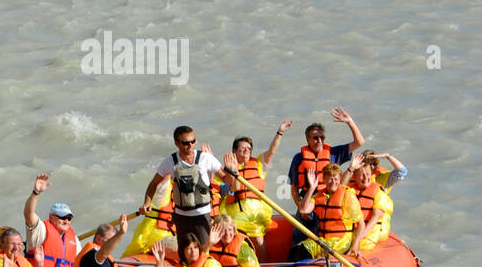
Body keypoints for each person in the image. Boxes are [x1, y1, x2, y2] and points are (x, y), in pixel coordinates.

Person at [139, 126, 239, 249]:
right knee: (184, 252)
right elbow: (153, 183)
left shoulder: (206, 158)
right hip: (181, 216)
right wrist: (147, 202)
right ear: (177, 143)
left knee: (204, 250)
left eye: (193, 141)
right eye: (186, 143)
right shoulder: (169, 162)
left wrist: (232, 171)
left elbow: (227, 180)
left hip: (202, 215)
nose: (190, 145)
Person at [218, 122, 293, 255]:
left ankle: (261, 265)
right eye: (243, 148)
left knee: (258, 240)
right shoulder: (226, 170)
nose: (247, 150)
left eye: (249, 148)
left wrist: (279, 132)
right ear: (234, 151)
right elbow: (227, 190)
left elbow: (272, 151)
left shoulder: (258, 164)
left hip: (256, 214)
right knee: (237, 242)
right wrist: (231, 171)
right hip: (236, 213)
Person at [287, 109, 365, 208]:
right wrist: (300, 205)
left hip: (328, 200)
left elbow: (359, 142)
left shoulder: (333, 153)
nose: (319, 140)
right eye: (315, 138)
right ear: (307, 139)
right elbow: (294, 187)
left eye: (322, 137)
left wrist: (350, 121)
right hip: (307, 200)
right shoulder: (298, 158)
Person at [23, 174, 78, 267]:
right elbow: (28, 214)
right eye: (62, 217)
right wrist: (36, 193)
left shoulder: (74, 239)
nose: (66, 221)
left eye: (69, 218)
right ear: (52, 217)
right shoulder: (40, 229)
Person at [297, 163, 365, 260]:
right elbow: (303, 210)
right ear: (324, 179)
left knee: (302, 250)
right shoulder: (319, 196)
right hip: (323, 241)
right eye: (330, 179)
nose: (333, 182)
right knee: (297, 250)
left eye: (336, 179)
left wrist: (355, 246)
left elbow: (361, 224)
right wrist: (312, 188)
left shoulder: (347, 196)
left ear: (340, 180)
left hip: (341, 242)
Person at [347, 155, 395, 253]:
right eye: (362, 175)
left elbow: (376, 216)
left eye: (368, 174)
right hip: (349, 233)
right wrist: (350, 169)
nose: (366, 178)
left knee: (359, 246)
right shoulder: (351, 189)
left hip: (367, 235)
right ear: (355, 177)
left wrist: (364, 233)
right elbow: (340, 187)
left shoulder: (378, 192)